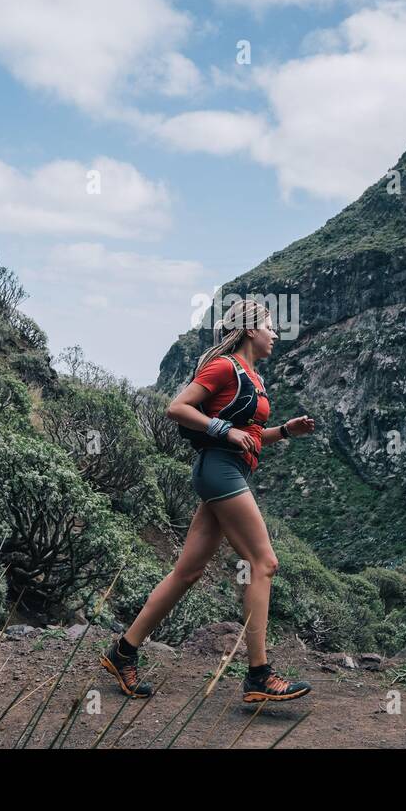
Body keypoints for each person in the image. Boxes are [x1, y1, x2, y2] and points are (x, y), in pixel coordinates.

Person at [100, 299, 318, 703]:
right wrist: (223, 430)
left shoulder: (253, 377)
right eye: (270, 326)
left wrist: (285, 431)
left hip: (227, 470)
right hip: (219, 469)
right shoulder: (224, 367)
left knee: (188, 572)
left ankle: (122, 652)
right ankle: (258, 675)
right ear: (250, 329)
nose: (274, 334)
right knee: (264, 563)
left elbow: (251, 438)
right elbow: (177, 408)